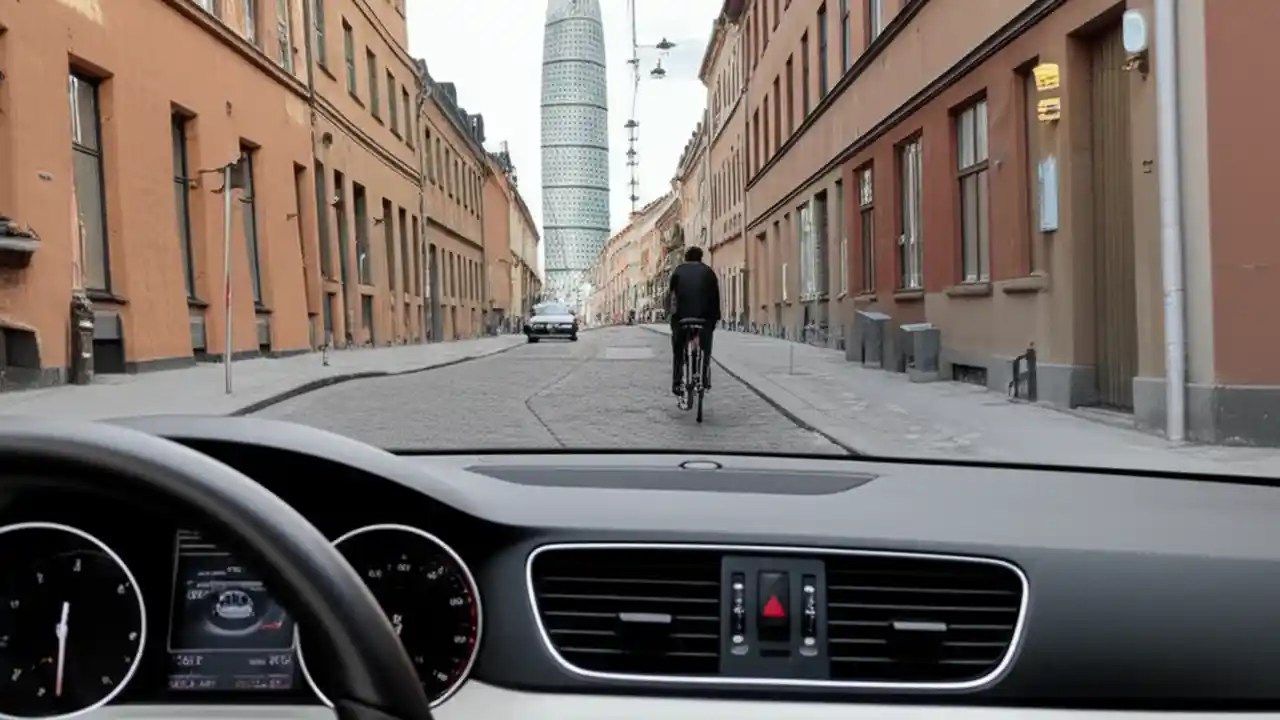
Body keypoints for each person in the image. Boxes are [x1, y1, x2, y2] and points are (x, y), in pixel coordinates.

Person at [667, 246, 721, 396]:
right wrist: (714, 319)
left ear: (686, 258)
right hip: (704, 319)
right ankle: (704, 379)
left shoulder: (677, 271)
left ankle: (677, 383)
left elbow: (672, 297)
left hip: (682, 318)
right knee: (705, 348)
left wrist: (672, 318)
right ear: (701, 257)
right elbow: (715, 298)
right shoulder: (709, 272)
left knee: (678, 350)